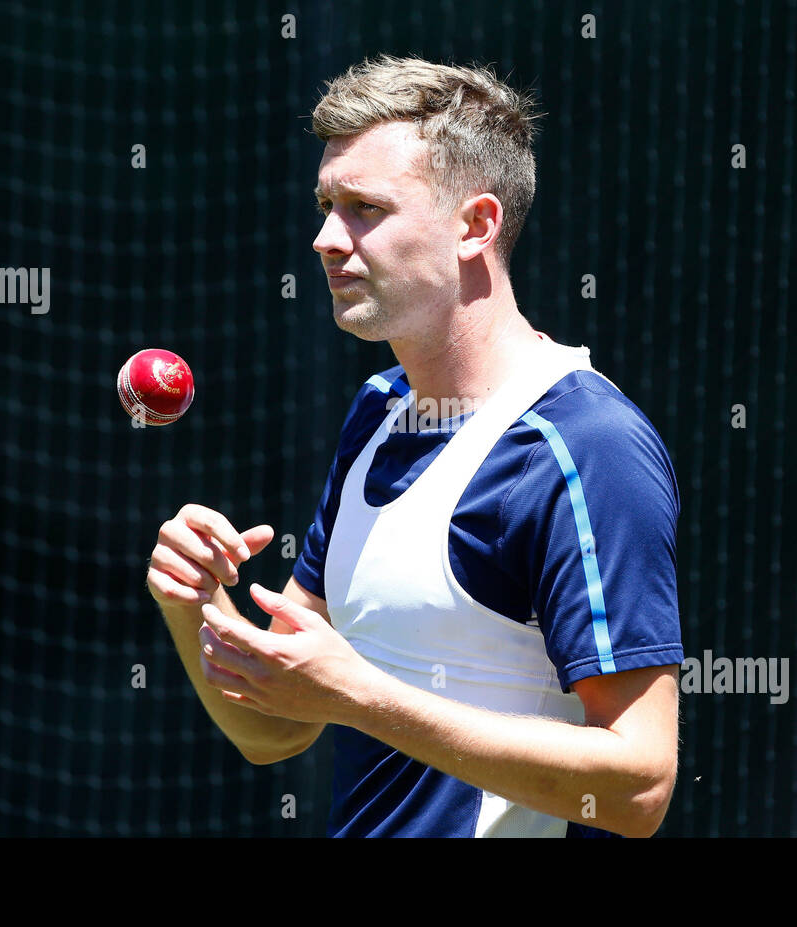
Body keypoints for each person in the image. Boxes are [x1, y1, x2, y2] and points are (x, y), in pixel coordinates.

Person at [148, 54, 683, 838]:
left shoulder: (582, 444)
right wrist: (194, 602)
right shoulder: (378, 411)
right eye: (327, 204)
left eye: (365, 207)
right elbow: (277, 729)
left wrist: (357, 694)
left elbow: (639, 784)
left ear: (477, 225)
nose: (326, 239)